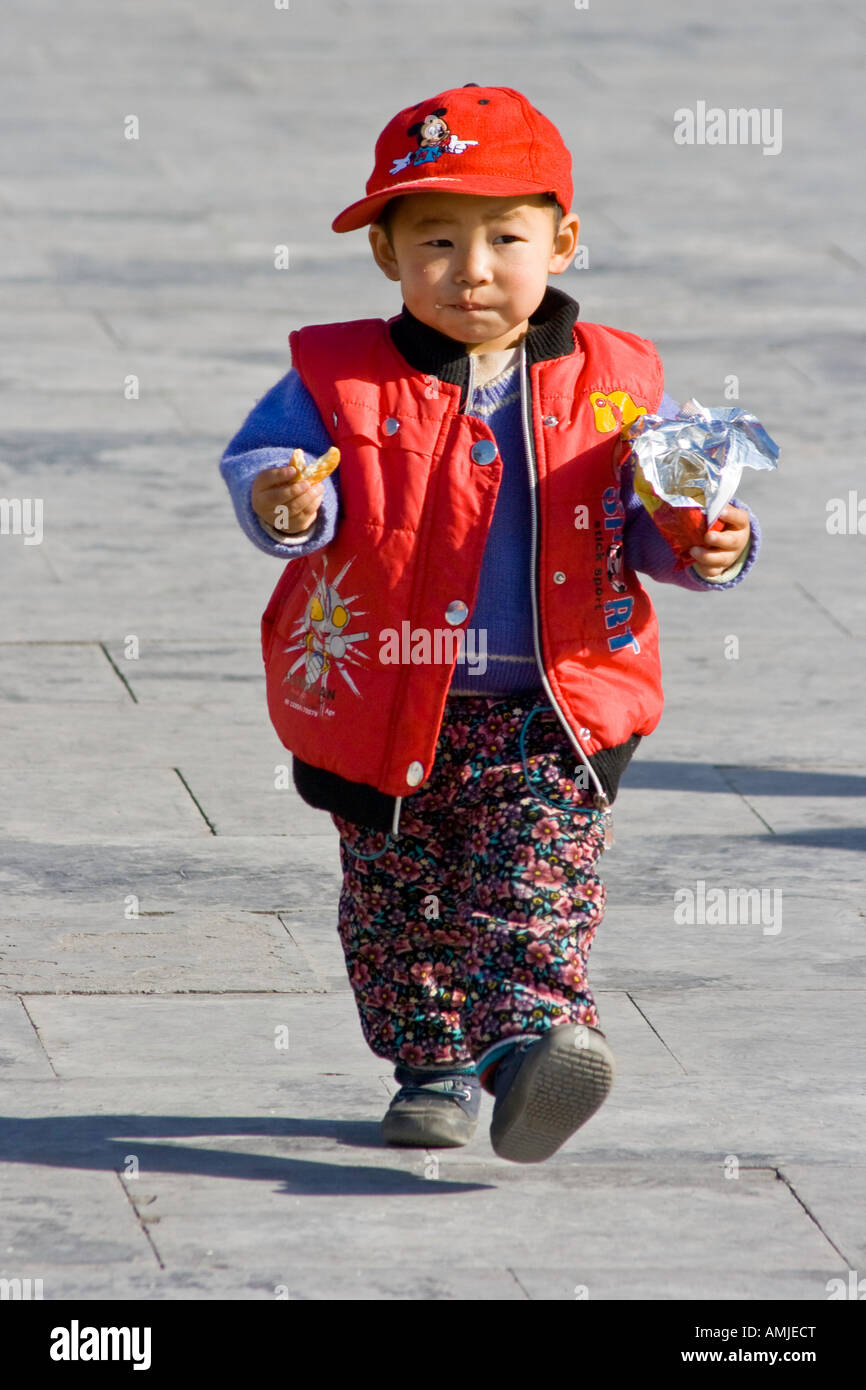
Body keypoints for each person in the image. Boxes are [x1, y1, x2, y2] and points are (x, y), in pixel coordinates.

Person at [220, 84, 760, 1164]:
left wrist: (706, 545)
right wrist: (286, 498)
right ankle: (430, 1066)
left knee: (531, 886)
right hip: (384, 702)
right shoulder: (337, 379)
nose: (470, 268)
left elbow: (645, 523)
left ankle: (532, 1048)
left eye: (503, 237)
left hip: (550, 706)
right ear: (385, 255)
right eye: (434, 240)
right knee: (397, 904)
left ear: (560, 240)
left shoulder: (615, 383)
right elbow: (279, 481)